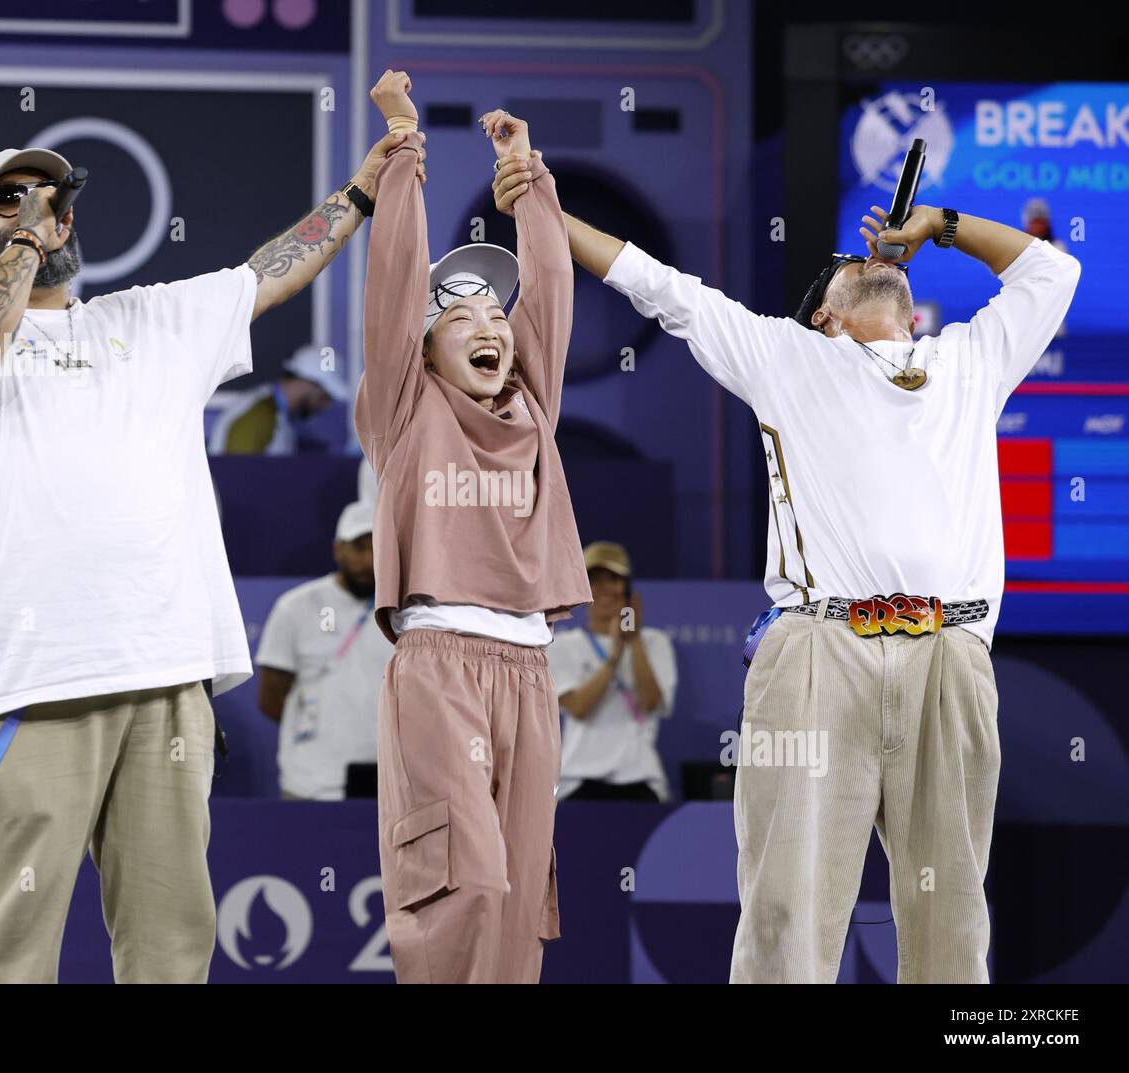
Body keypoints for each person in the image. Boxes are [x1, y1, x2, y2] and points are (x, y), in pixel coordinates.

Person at [519, 165, 1080, 982]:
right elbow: (657, 285)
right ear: (826, 317)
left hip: (951, 655)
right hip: (819, 650)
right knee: (791, 909)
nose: (872, 258)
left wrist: (941, 224)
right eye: (849, 266)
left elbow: (1050, 269)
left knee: (952, 915)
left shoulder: (969, 362)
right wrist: (544, 208)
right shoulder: (789, 358)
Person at [0, 132, 422, 984]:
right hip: (31, 684)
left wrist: (363, 190)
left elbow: (273, 269)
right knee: (14, 953)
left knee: (171, 947)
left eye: (45, 195)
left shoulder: (150, 320)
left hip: (166, 677)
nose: (30, 205)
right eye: (6, 198)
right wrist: (30, 239)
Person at [356, 71, 591, 984]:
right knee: (471, 884)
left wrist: (525, 176)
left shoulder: (534, 411)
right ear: (422, 350)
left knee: (521, 900)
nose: (490, 319)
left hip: (531, 671)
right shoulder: (405, 410)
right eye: (461, 313)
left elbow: (554, 293)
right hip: (441, 662)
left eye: (497, 309)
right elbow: (393, 277)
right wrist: (406, 145)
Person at [255, 500, 391, 799]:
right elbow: (271, 698)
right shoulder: (296, 607)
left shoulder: (408, 613)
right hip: (311, 783)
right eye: (359, 548)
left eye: (379, 548)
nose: (369, 561)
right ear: (338, 550)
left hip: (391, 785)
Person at [547, 542, 676, 802]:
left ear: (627, 589)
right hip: (578, 780)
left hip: (640, 778)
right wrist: (616, 654)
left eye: (613, 580)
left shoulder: (654, 642)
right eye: (595, 581)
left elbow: (650, 702)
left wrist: (635, 639)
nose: (604, 589)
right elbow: (579, 707)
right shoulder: (562, 645)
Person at [209, 343, 351, 455]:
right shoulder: (260, 414)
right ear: (308, 384)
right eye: (324, 397)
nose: (325, 406)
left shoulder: (273, 413)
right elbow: (234, 477)